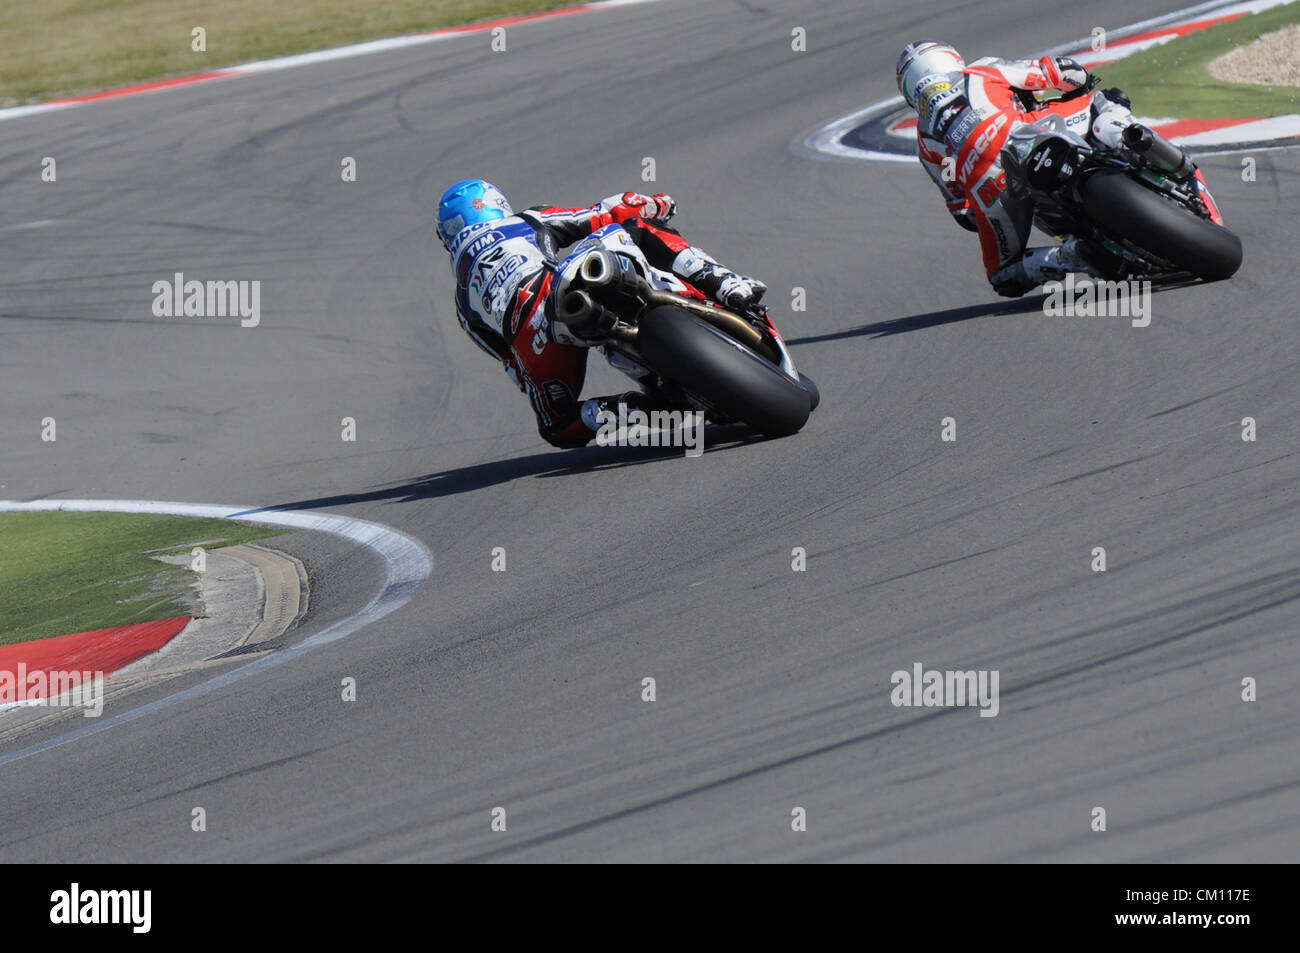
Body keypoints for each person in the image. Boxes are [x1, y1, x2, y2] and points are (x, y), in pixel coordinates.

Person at [437, 179, 766, 447]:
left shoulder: (462, 302)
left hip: (535, 339)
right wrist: (657, 204)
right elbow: (605, 212)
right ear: (497, 204)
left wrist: (536, 370)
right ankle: (725, 283)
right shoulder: (523, 221)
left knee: (558, 427)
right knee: (637, 227)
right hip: (556, 285)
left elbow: (507, 359)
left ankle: (646, 412)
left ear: (448, 236)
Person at [895, 40, 1214, 297]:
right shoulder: (981, 71)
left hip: (991, 184)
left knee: (1003, 277)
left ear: (910, 92)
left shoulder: (924, 142)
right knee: (1103, 102)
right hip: (1034, 127)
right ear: (952, 59)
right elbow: (1056, 70)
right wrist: (1079, 82)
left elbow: (960, 210)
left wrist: (986, 216)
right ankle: (1134, 139)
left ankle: (1068, 257)